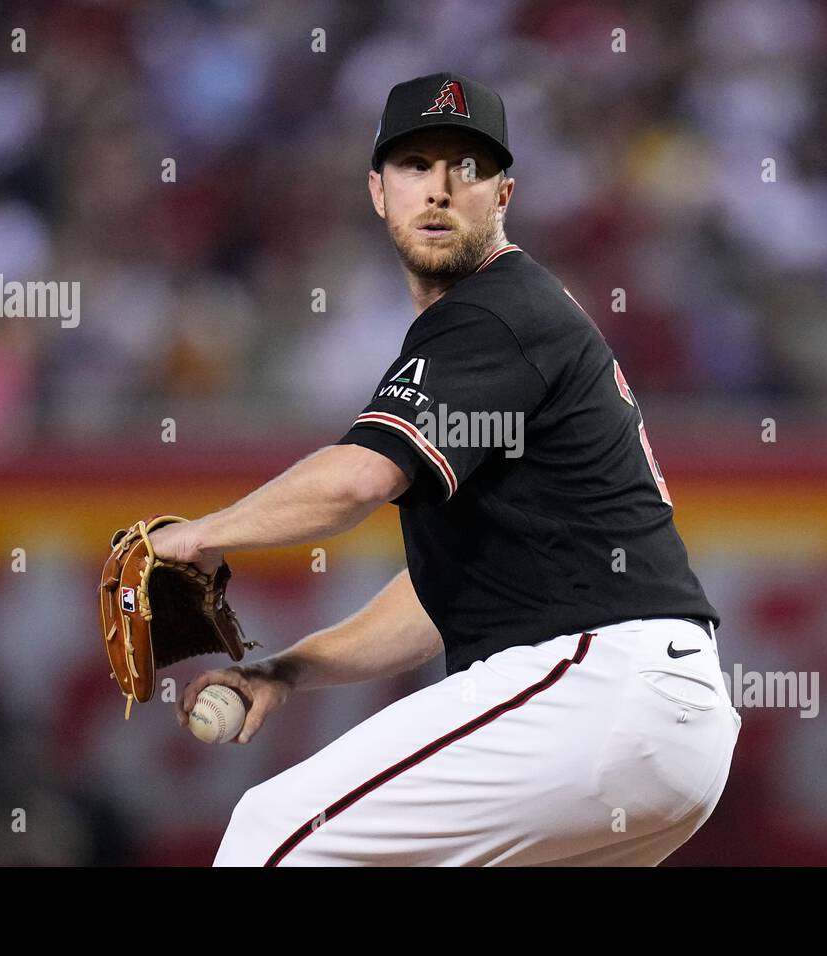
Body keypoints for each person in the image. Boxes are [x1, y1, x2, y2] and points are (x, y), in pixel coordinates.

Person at [148, 72, 740, 866]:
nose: (439, 189)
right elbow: (438, 602)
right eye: (416, 165)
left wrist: (201, 535)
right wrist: (286, 672)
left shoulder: (493, 311)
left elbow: (359, 478)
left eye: (466, 168)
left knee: (275, 835)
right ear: (377, 191)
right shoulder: (495, 330)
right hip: (654, 727)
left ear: (504, 195)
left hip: (600, 687)